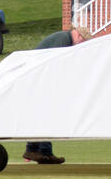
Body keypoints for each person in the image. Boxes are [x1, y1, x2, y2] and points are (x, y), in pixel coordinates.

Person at [24, 26, 90, 164]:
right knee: (45, 115)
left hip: (39, 78)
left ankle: (39, 151)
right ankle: (40, 151)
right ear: (78, 36)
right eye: (83, 42)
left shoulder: (63, 38)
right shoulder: (64, 40)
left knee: (43, 115)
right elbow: (57, 64)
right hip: (39, 80)